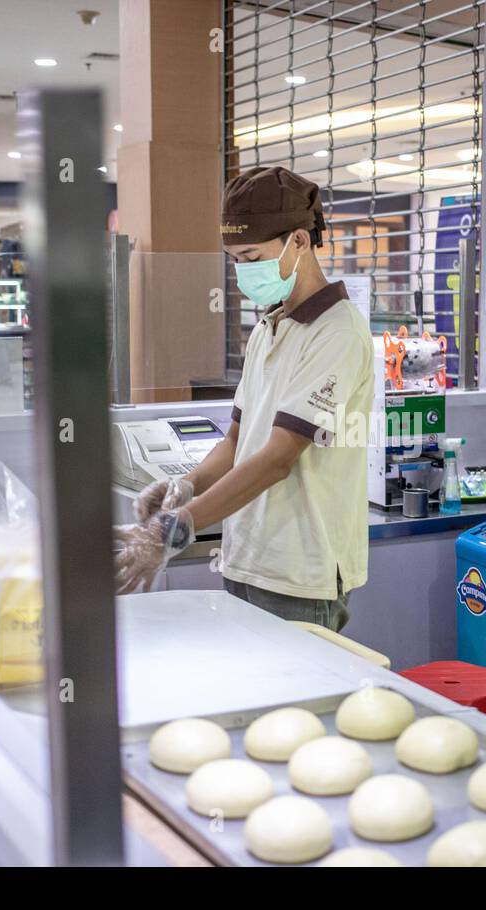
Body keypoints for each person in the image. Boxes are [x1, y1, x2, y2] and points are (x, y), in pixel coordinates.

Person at [114, 166, 372, 632]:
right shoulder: (270, 328)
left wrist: (174, 529)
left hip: (300, 574)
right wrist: (186, 487)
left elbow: (277, 459)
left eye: (251, 256)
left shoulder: (337, 333)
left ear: (299, 241)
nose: (242, 272)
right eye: (235, 259)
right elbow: (236, 441)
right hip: (245, 559)